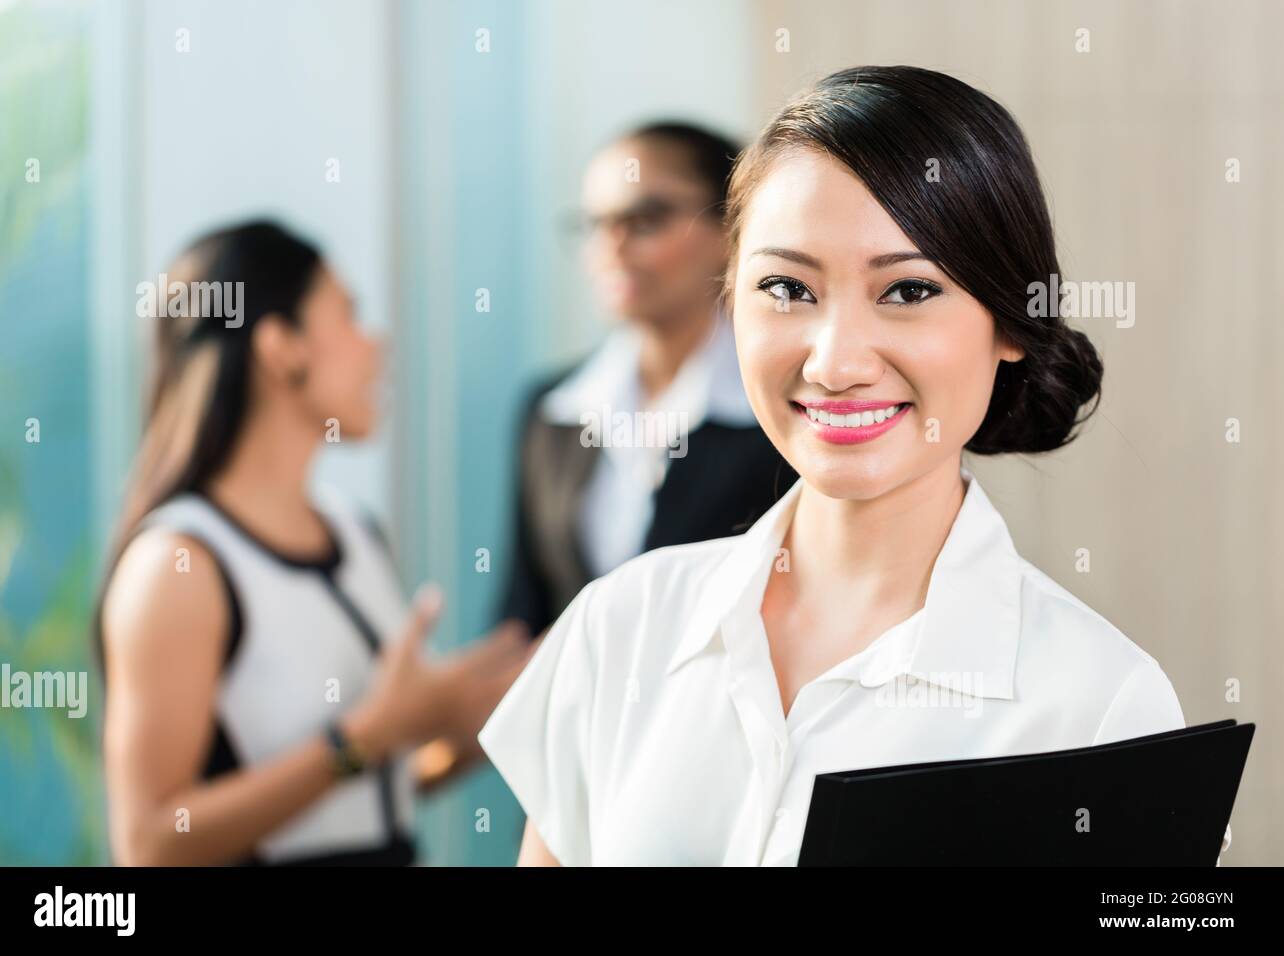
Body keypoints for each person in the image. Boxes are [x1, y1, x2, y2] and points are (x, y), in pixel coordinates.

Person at [478, 66, 1220, 865]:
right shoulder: (619, 625)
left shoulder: (1101, 707)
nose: (834, 363)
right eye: (787, 287)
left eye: (905, 291)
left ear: (1011, 321)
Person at [96, 220, 531, 866]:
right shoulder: (179, 564)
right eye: (349, 315)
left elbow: (375, 783)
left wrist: (493, 702)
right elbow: (152, 842)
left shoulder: (354, 529)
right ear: (281, 349)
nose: (376, 346)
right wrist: (366, 734)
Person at [414, 122, 797, 790]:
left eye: (646, 217)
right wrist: (399, 769)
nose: (612, 246)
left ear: (732, 229)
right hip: (577, 790)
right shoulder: (552, 410)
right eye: (596, 224)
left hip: (733, 787)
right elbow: (523, 631)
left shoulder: (788, 411)